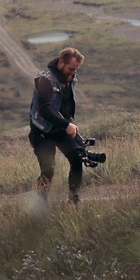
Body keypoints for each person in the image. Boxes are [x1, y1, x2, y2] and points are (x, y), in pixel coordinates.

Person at [29, 46, 103, 206]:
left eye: (75, 70)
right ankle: (42, 204)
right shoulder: (45, 80)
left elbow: (67, 105)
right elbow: (45, 110)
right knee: (48, 169)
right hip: (42, 131)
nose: (73, 73)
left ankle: (73, 200)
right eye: (70, 69)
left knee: (77, 158)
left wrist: (70, 123)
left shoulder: (70, 77)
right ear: (61, 63)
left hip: (60, 128)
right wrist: (67, 124)